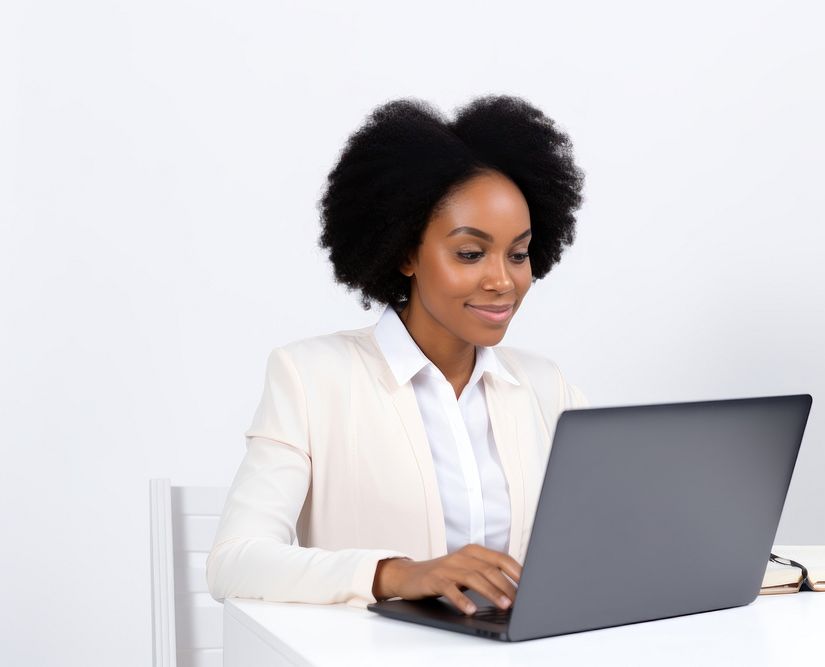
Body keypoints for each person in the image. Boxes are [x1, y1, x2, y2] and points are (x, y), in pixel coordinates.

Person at [206, 94, 588, 616]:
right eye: (470, 254)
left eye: (518, 254)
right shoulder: (311, 378)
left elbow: (615, 530)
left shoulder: (546, 386)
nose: (503, 281)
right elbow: (234, 562)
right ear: (405, 252)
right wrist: (397, 574)